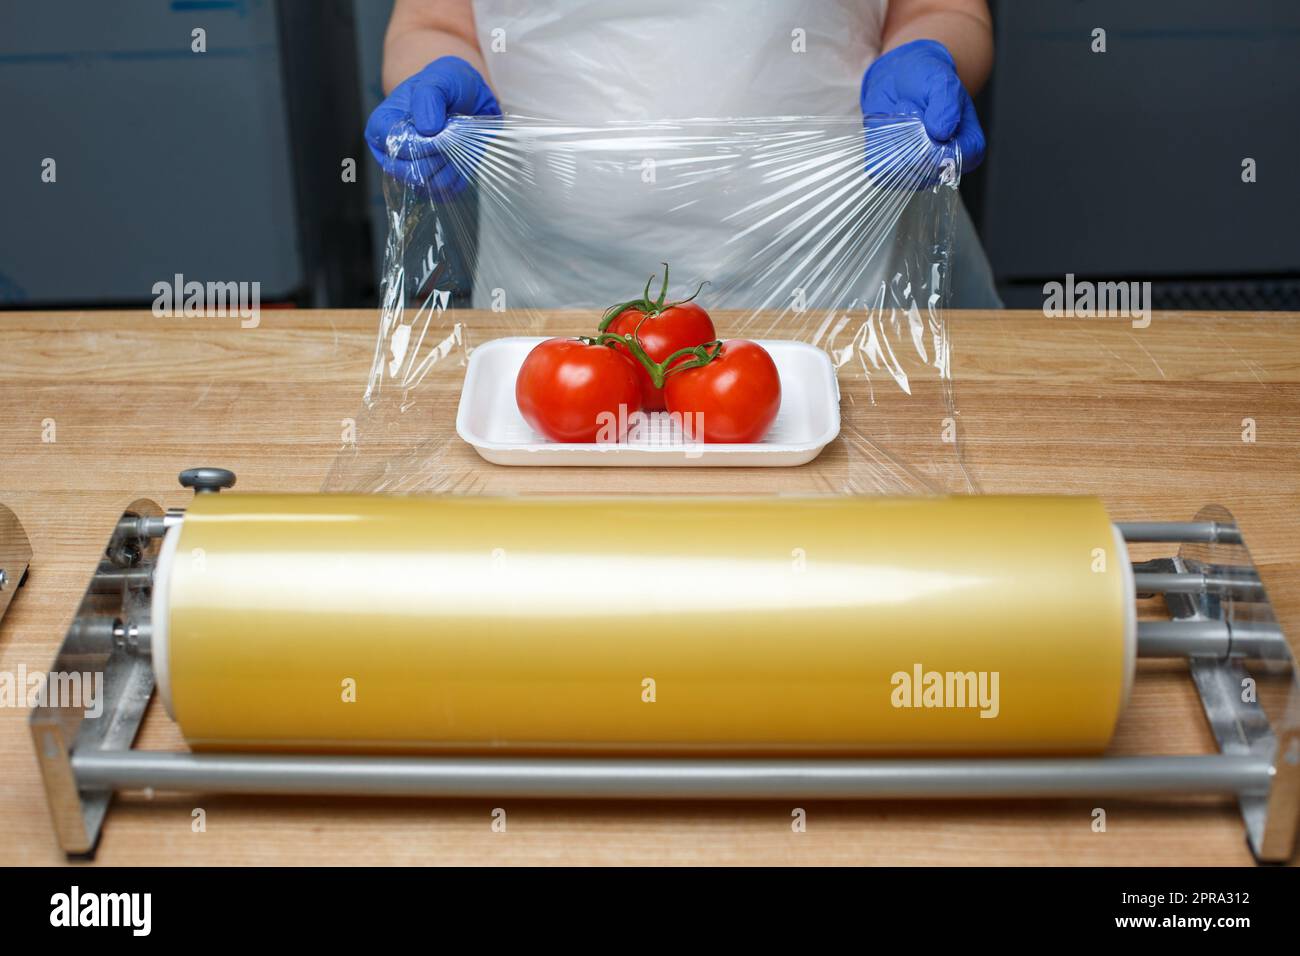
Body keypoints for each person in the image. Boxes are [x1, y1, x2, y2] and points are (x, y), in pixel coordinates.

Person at [366, 0, 1000, 309]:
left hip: (853, 294)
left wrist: (925, 57)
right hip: (552, 313)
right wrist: (436, 85)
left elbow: (938, 8)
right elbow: (436, 20)